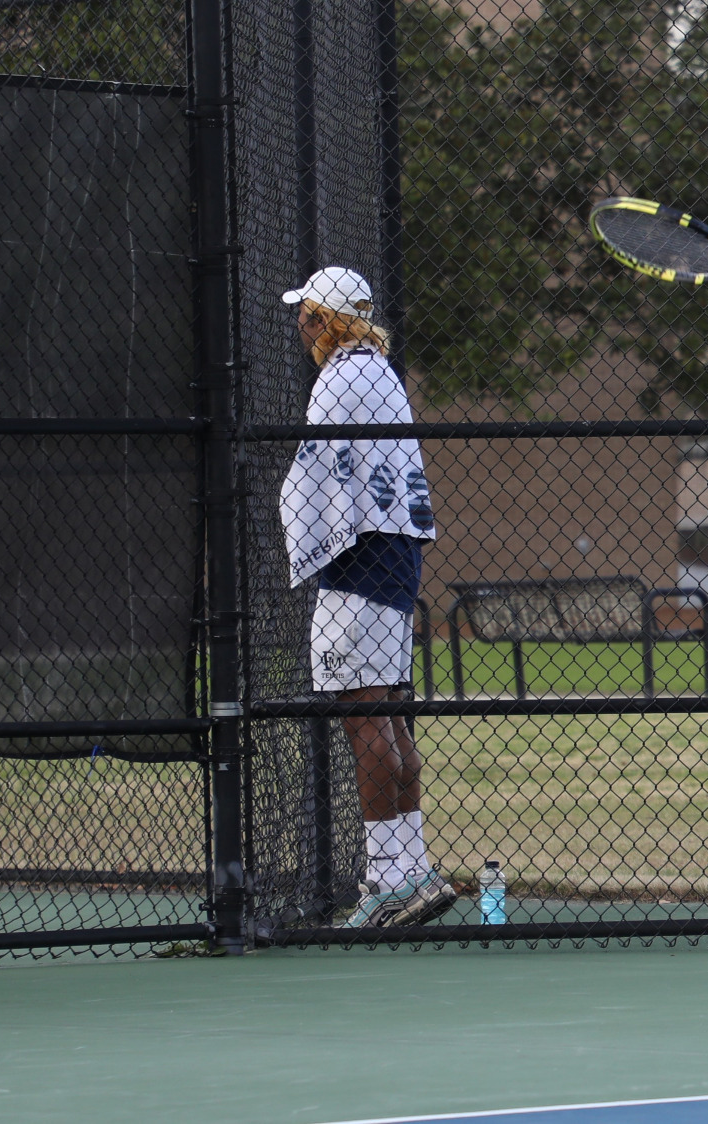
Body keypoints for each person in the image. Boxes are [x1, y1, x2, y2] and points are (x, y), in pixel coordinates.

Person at [279, 266, 453, 928]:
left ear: (329, 322)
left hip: (360, 560)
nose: (301, 329)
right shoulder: (379, 374)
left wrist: (302, 540)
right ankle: (411, 869)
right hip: (393, 558)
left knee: (363, 719)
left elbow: (316, 478)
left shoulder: (341, 379)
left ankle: (386, 879)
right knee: (387, 715)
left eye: (308, 317)